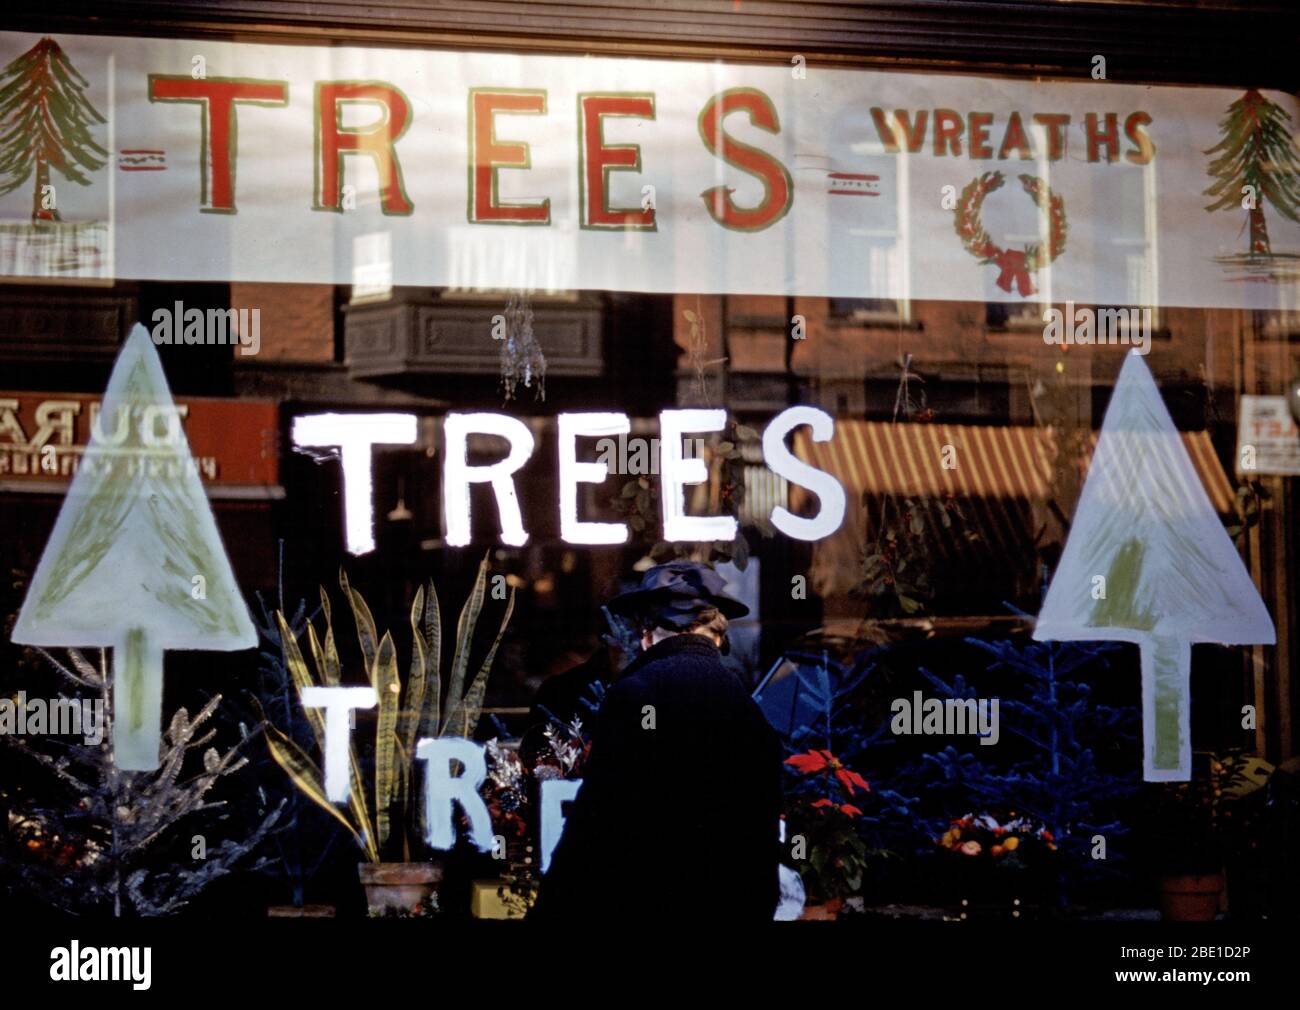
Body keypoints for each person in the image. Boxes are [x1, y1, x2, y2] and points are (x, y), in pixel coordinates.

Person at [530, 560, 783, 922]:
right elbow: (761, 836)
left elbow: (593, 826)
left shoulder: (635, 694)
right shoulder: (744, 705)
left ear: (646, 634)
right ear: (718, 636)